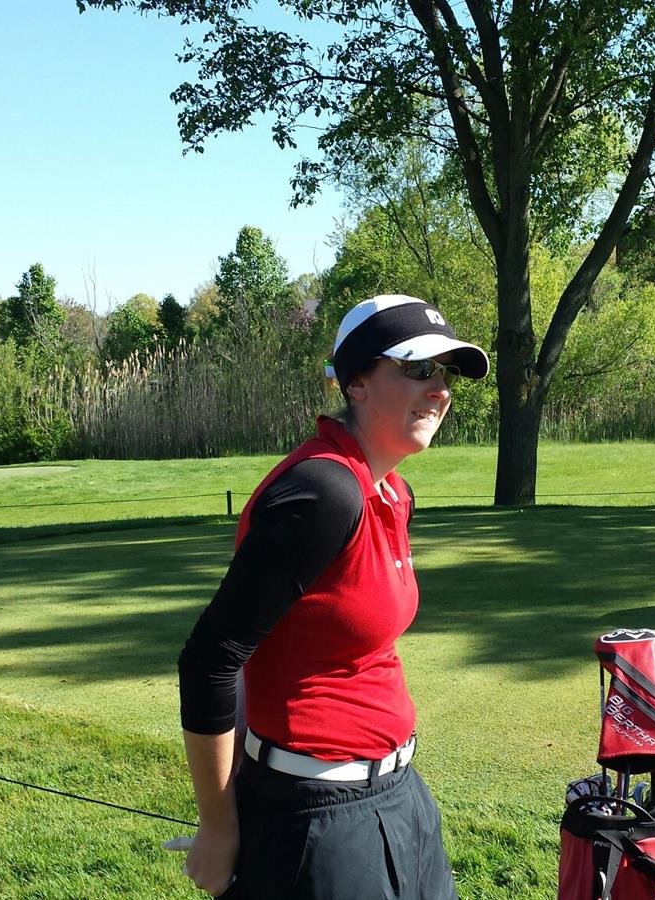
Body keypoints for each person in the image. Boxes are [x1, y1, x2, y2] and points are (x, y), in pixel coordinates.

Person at [175, 294, 488, 898]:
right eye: (419, 368)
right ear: (358, 382)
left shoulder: (391, 491)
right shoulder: (322, 491)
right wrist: (220, 826)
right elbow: (211, 660)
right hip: (319, 817)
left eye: (445, 373)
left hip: (398, 796)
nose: (441, 389)